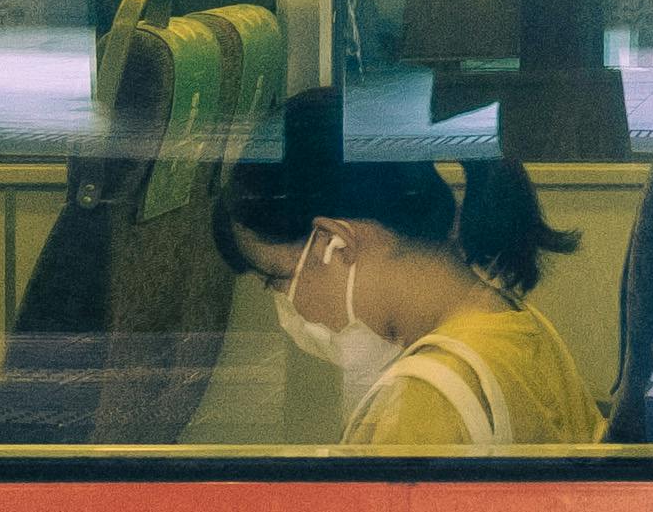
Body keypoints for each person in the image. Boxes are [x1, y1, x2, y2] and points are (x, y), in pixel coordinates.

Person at [209, 94, 605, 453]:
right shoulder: (518, 324)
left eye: (275, 279)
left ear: (335, 243)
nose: (287, 310)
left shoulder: (425, 400)